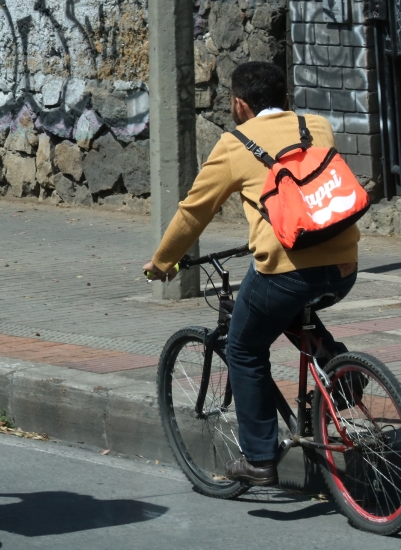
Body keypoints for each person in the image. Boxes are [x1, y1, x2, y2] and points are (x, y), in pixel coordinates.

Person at [142, 61, 359, 486]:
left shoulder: (234, 144)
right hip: (344, 265)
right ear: (286, 98)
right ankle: (340, 373)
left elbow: (194, 211)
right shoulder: (316, 125)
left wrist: (162, 261)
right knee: (288, 311)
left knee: (243, 346)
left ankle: (260, 458)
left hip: (287, 271)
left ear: (240, 104)